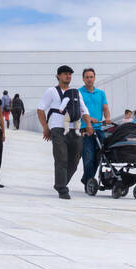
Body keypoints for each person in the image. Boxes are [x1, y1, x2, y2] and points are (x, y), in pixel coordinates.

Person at [38, 65, 92, 199]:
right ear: (58, 76)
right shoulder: (51, 91)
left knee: (74, 160)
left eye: (70, 74)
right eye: (65, 74)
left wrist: (89, 124)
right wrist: (45, 127)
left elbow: (84, 110)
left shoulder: (75, 92)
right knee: (61, 159)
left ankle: (60, 183)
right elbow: (40, 109)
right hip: (58, 129)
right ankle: (62, 188)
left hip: (75, 130)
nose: (68, 76)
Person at [78, 68, 111, 192]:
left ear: (94, 78)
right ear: (83, 79)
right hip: (85, 129)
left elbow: (105, 108)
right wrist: (89, 119)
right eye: (87, 77)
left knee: (100, 156)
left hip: (99, 129)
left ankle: (87, 179)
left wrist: (107, 118)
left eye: (91, 77)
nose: (89, 79)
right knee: (88, 157)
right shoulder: (79, 92)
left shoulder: (101, 93)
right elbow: (79, 110)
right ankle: (89, 183)